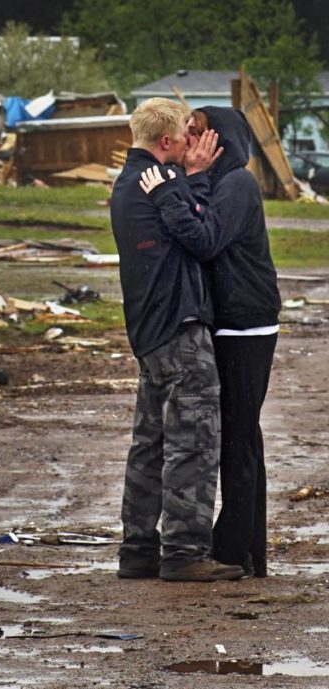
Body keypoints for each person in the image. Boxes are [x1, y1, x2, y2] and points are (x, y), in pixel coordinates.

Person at [139, 106, 281, 578]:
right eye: (188, 133)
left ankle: (234, 547)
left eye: (199, 133)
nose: (189, 139)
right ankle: (246, 548)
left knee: (238, 439)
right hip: (231, 324)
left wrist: (170, 192)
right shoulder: (216, 182)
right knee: (241, 438)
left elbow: (206, 239)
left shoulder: (236, 183)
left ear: (220, 142)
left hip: (246, 326)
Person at [110, 97, 243, 582]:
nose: (194, 140)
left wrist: (184, 180)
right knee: (193, 443)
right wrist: (198, 179)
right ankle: (185, 553)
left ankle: (138, 550)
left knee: (149, 442)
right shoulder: (160, 184)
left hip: (148, 332)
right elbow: (202, 237)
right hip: (180, 328)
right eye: (187, 132)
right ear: (167, 141)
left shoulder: (127, 183)